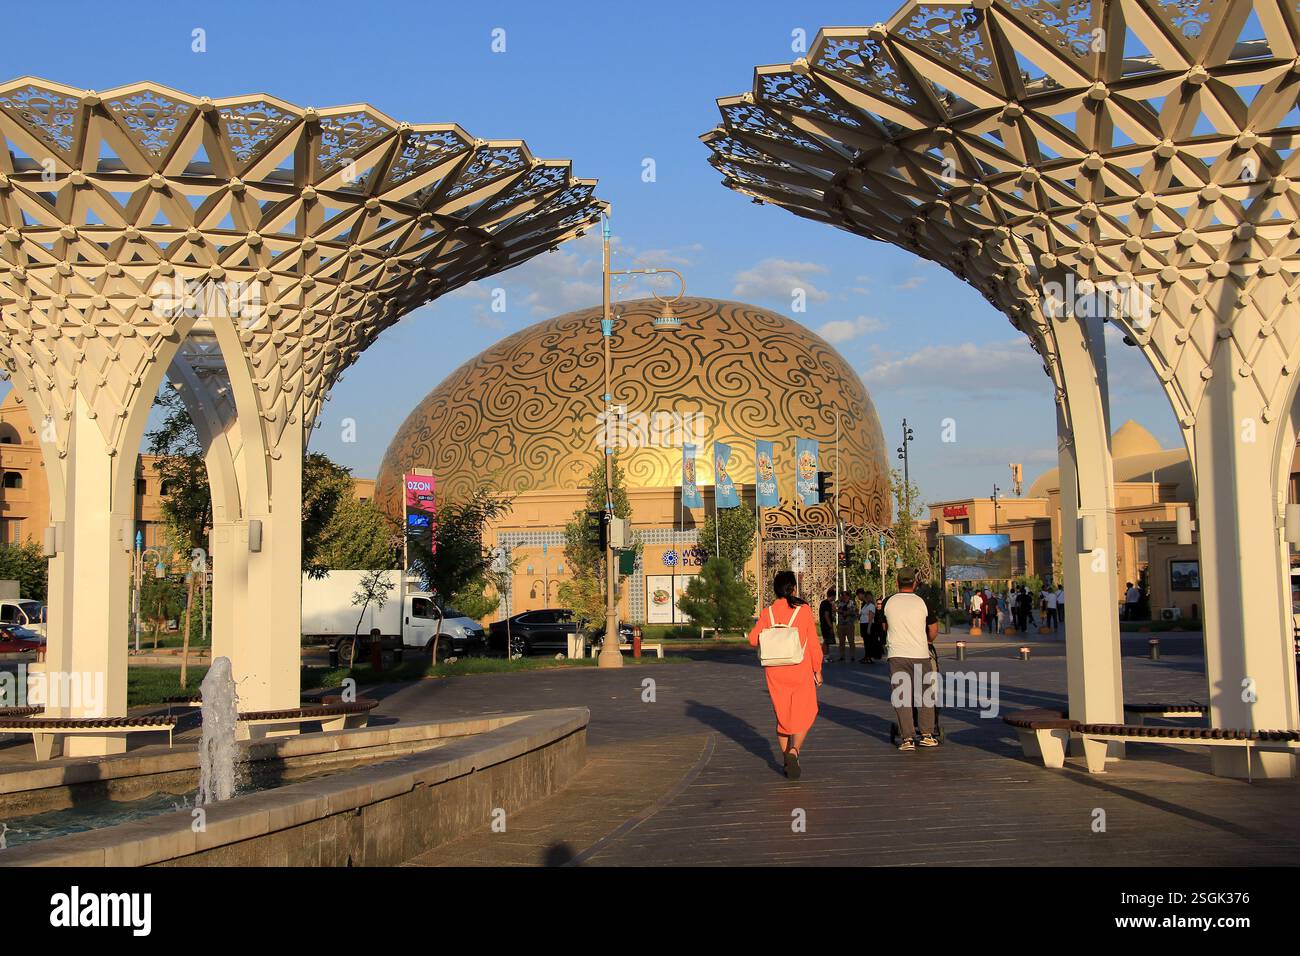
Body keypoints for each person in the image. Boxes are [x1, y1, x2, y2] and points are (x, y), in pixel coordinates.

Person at [747, 570, 823, 779]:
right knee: (806, 711)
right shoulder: (804, 610)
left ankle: (785, 759)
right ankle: (794, 751)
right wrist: (817, 669)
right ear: (793, 588)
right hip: (799, 668)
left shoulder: (767, 613)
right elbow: (814, 643)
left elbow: (753, 640)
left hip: (775, 671)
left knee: (783, 717)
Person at [882, 569, 939, 752]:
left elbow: (884, 626)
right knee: (924, 695)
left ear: (897, 583)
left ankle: (907, 738)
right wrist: (928, 641)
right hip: (920, 654)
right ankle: (927, 735)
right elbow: (933, 629)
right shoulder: (923, 602)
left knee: (902, 697)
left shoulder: (888, 602)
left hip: (897, 655)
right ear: (914, 584)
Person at [837, 589, 858, 662]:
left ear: (848, 596)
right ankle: (842, 656)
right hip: (841, 624)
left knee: (851, 641)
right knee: (841, 642)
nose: (844, 597)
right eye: (843, 595)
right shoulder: (839, 603)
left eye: (845, 596)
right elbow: (834, 609)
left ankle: (852, 656)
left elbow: (850, 612)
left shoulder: (852, 603)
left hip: (849, 624)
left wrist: (840, 611)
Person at [858, 589, 877, 663]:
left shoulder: (871, 606)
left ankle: (869, 657)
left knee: (869, 642)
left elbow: (871, 617)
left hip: (868, 624)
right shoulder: (865, 605)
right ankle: (866, 656)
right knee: (865, 642)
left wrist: (869, 628)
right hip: (863, 624)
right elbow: (861, 614)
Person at [818, 588, 836, 659]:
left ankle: (826, 655)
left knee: (827, 641)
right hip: (826, 625)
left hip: (823, 624)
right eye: (834, 597)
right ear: (833, 596)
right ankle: (824, 656)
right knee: (826, 641)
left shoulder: (824, 603)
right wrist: (830, 626)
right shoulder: (826, 603)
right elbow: (826, 615)